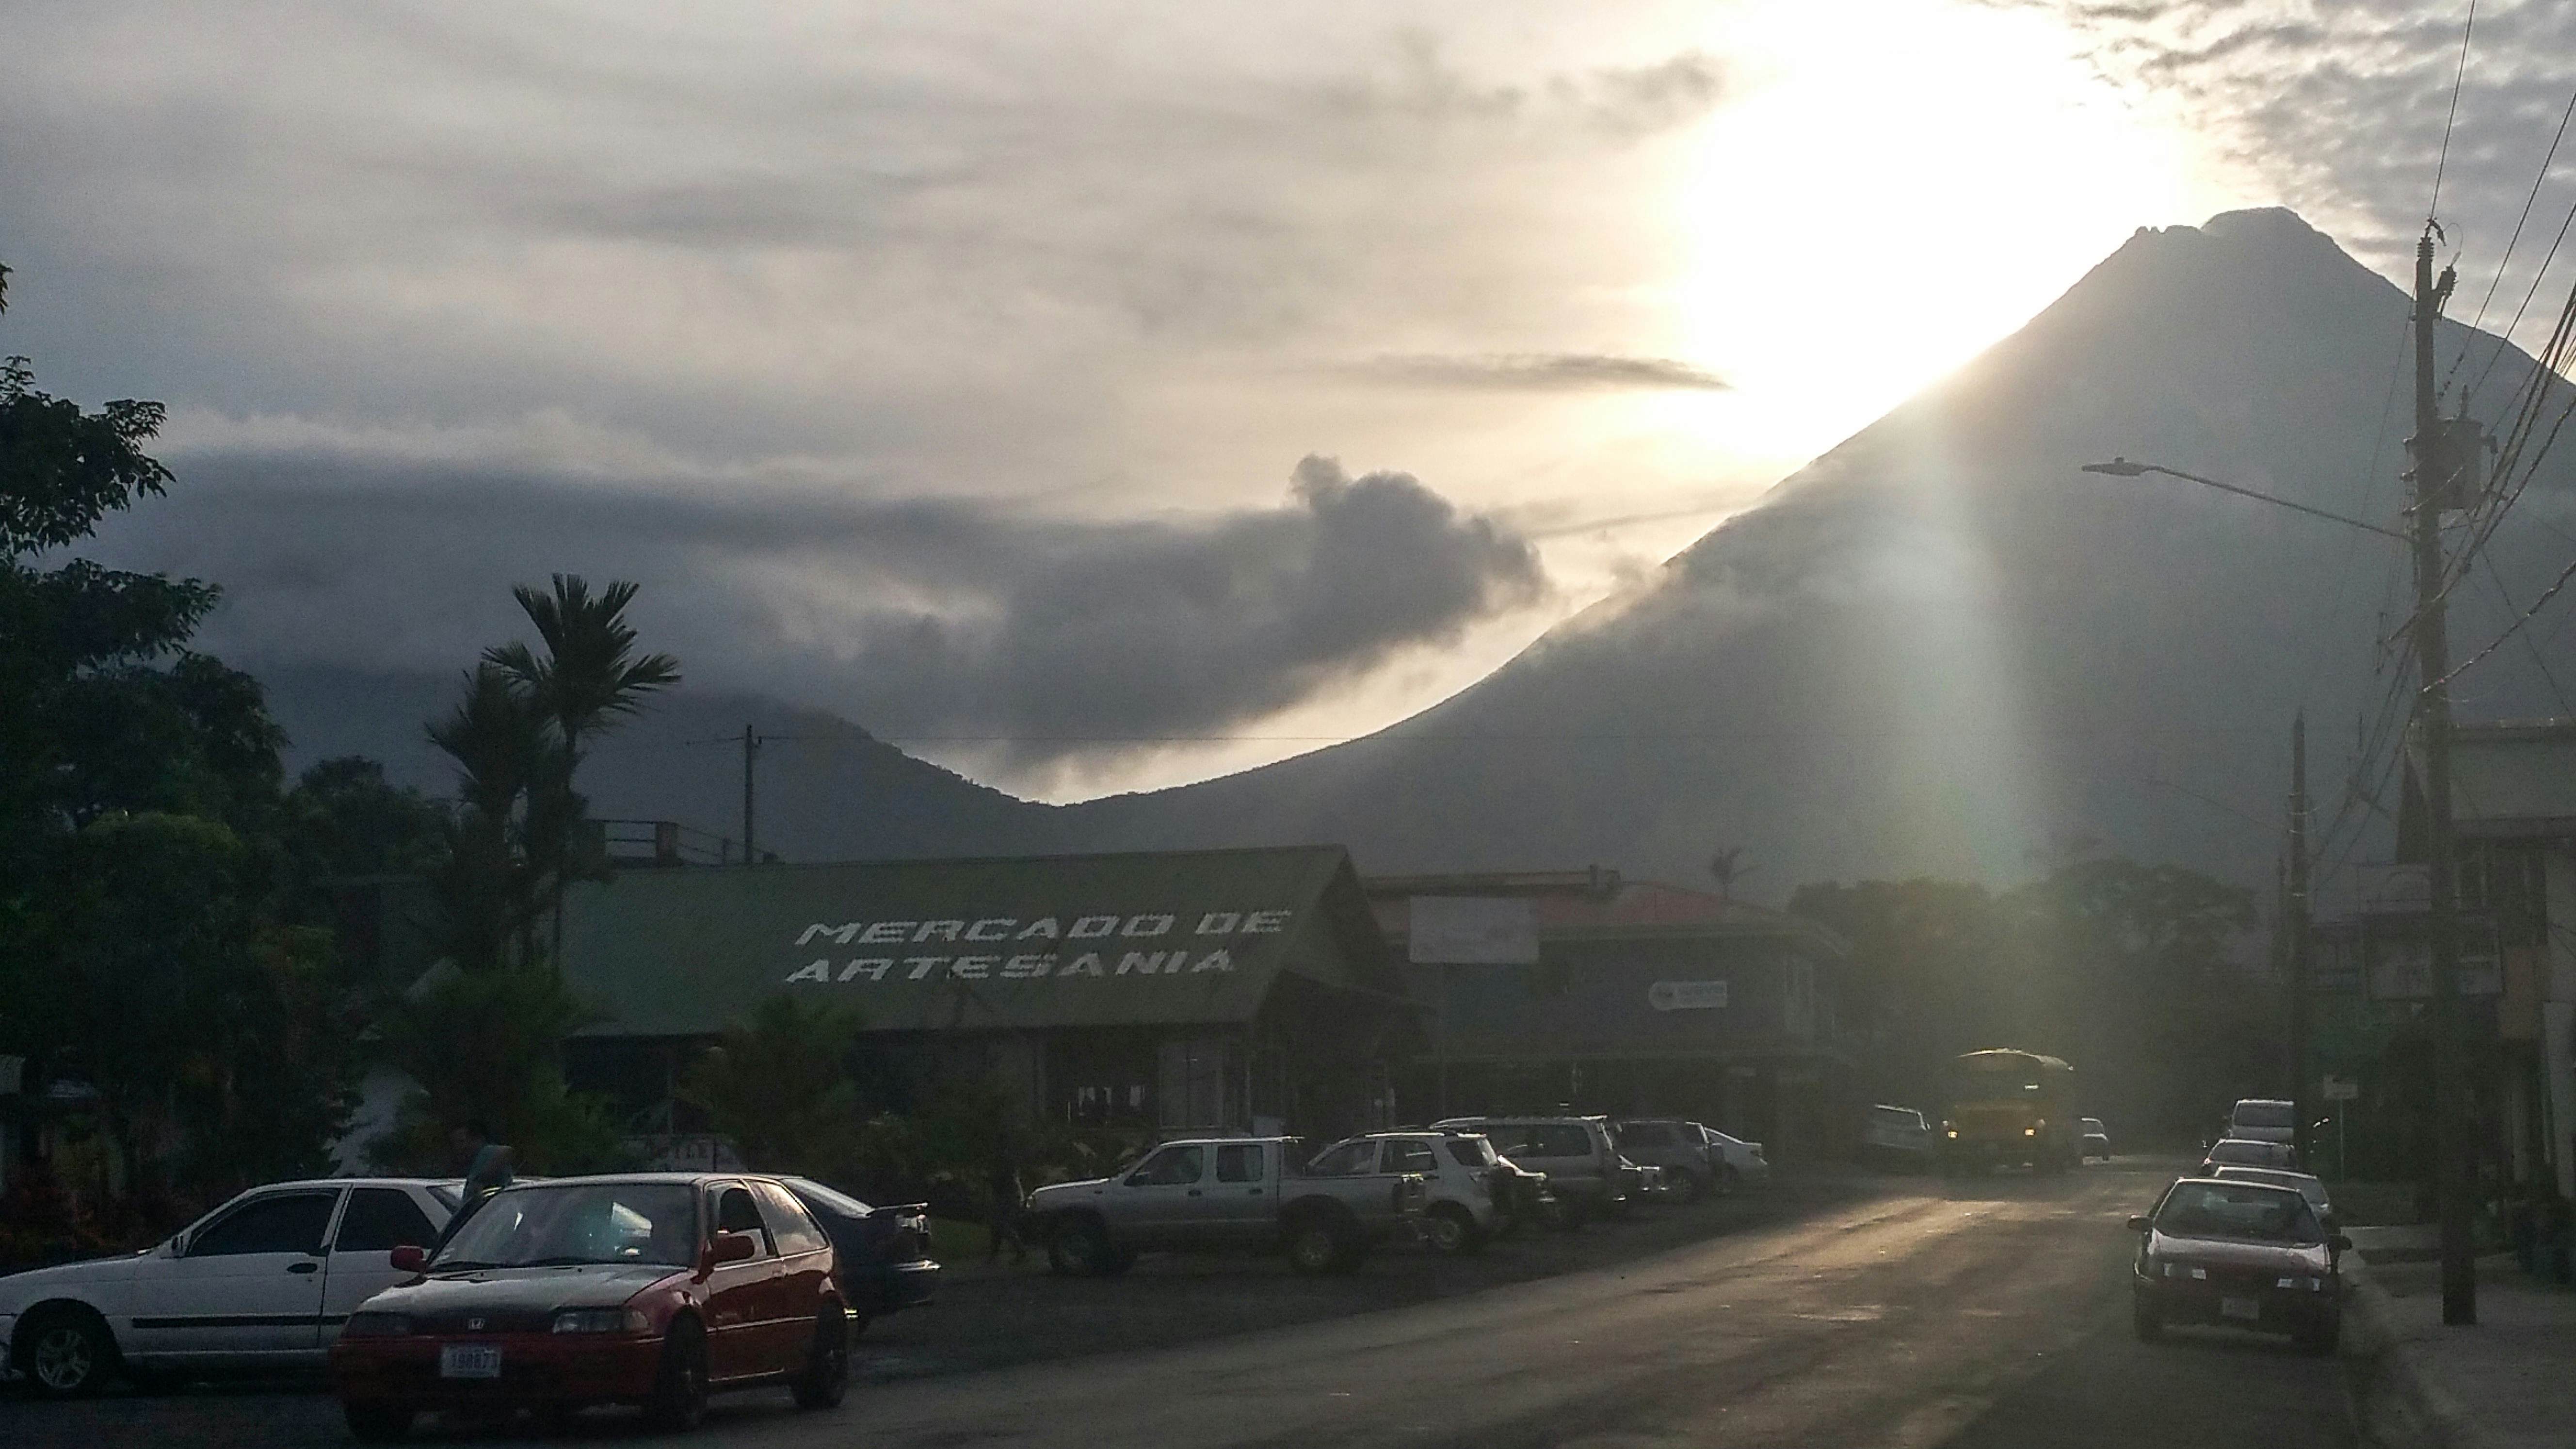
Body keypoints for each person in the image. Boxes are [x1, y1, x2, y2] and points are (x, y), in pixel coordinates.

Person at [454, 1118, 515, 1201]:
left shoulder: (487, 1152)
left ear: (476, 1139)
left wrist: (482, 1178)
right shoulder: (473, 1161)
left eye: (462, 1141)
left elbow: (507, 1151)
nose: (460, 1147)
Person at [986, 1144, 1028, 1265]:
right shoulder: (1007, 1161)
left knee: (1001, 1224)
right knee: (997, 1226)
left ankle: (1020, 1250)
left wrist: (989, 1179)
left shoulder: (1004, 1162)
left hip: (1008, 1197)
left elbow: (1001, 1180)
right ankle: (993, 1255)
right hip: (1009, 1196)